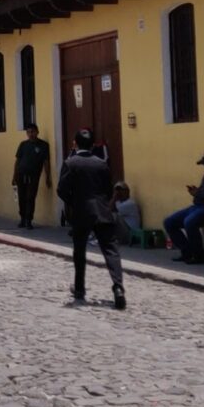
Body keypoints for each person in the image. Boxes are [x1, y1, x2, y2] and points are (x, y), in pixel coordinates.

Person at [56, 129, 125, 309]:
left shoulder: (70, 163)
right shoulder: (101, 164)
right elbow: (109, 190)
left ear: (75, 143)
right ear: (93, 145)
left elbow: (61, 190)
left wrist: (74, 202)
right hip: (102, 211)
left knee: (80, 251)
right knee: (111, 250)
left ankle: (79, 290)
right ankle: (118, 287)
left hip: (82, 212)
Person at [12, 124, 53, 229]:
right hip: (21, 173)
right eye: (29, 132)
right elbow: (17, 161)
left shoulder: (43, 145)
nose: (31, 134)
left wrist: (48, 177)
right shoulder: (23, 144)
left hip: (34, 175)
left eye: (33, 132)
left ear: (37, 132)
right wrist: (14, 176)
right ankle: (22, 219)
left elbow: (46, 162)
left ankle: (29, 220)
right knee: (21, 197)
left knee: (31, 197)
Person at [113, 182, 142, 246]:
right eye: (117, 190)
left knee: (114, 216)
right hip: (125, 231)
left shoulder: (130, 203)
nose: (119, 192)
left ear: (127, 192)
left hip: (131, 234)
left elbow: (108, 212)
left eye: (121, 190)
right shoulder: (118, 203)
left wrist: (114, 197)